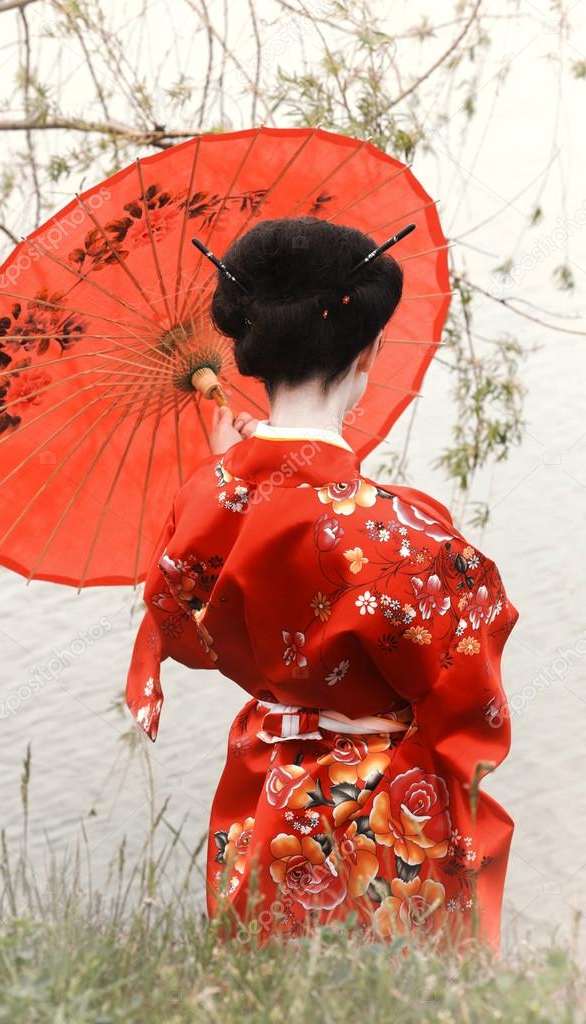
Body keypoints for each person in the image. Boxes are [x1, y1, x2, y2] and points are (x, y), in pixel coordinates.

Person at [126, 216, 518, 951]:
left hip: (265, 798)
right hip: (384, 817)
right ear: (367, 350)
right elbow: (472, 710)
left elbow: (180, 629)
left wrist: (224, 481)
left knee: (267, 989)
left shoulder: (205, 503)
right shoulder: (407, 534)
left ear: (252, 354)